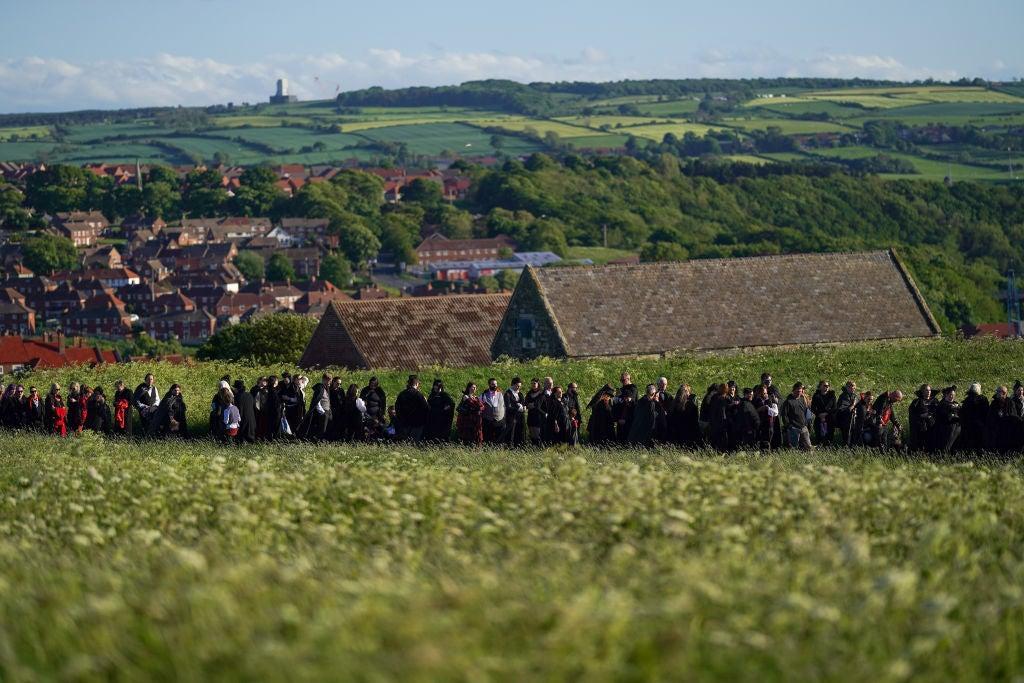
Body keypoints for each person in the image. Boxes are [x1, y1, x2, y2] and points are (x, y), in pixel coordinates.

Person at [394, 375, 430, 442]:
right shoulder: (418, 395)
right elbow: (426, 408)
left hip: (404, 422)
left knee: (404, 443)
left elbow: (397, 407)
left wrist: (400, 418)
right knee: (414, 443)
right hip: (417, 423)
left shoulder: (402, 394)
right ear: (416, 384)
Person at [298, 374, 333, 442]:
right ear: (325, 380)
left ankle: (322, 439)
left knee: (327, 426)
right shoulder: (320, 388)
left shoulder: (326, 388)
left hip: (327, 410)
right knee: (322, 428)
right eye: (329, 381)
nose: (330, 382)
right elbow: (317, 401)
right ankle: (318, 440)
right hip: (323, 411)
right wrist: (322, 412)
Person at [959, 383, 988, 453]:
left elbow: (963, 414)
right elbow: (986, 412)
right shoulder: (983, 399)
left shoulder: (966, 400)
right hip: (980, 425)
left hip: (968, 426)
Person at [782, 382, 812, 450]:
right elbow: (784, 415)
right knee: (793, 447)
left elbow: (805, 412)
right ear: (794, 390)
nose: (799, 392)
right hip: (793, 428)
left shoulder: (802, 399)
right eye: (798, 390)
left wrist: (806, 423)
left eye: (800, 391)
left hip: (803, 427)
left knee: (808, 446)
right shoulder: (788, 401)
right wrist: (789, 426)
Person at [932, 386, 961, 454]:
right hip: (946, 430)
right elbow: (945, 416)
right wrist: (952, 411)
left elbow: (961, 413)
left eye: (953, 395)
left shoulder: (956, 403)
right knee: (946, 446)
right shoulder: (942, 404)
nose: (952, 396)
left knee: (955, 446)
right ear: (946, 395)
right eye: (950, 395)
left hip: (956, 429)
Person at [907, 384, 935, 453]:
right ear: (922, 391)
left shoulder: (935, 401)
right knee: (920, 444)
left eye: (929, 390)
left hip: (932, 426)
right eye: (926, 390)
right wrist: (921, 416)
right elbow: (912, 414)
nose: (928, 392)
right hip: (921, 428)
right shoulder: (916, 402)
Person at [612, 372, 638, 442]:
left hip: (629, 416)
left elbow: (629, 400)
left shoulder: (633, 388)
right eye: (621, 380)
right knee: (620, 438)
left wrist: (621, 397)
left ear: (628, 379)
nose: (622, 382)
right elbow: (617, 403)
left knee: (628, 437)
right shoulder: (621, 389)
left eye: (623, 380)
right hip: (620, 416)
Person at [479, 378, 507, 444]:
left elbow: (504, 406)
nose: (495, 385)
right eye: (493, 384)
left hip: (499, 421)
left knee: (499, 439)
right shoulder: (483, 395)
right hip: (488, 420)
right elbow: (480, 406)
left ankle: (498, 451)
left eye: (496, 384)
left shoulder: (501, 394)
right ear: (489, 385)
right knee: (488, 439)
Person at [752, 384, 778, 450]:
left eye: (765, 393)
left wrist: (769, 407)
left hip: (769, 424)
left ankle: (766, 455)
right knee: (759, 442)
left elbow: (775, 412)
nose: (764, 394)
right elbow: (752, 412)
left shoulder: (770, 400)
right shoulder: (755, 401)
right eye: (762, 393)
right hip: (759, 423)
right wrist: (760, 409)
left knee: (768, 442)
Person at [834, 382, 860, 448]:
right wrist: (853, 405)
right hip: (845, 421)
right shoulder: (843, 396)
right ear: (847, 387)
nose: (853, 388)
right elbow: (842, 410)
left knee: (852, 436)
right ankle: (846, 449)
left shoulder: (854, 396)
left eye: (854, 387)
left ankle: (851, 448)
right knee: (846, 437)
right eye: (851, 386)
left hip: (853, 420)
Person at [811, 381, 836, 445]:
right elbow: (813, 407)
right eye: (825, 385)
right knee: (818, 432)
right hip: (819, 417)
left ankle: (829, 446)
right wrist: (819, 415)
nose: (827, 387)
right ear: (820, 386)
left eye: (828, 386)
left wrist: (826, 414)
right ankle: (819, 445)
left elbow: (835, 407)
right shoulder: (816, 395)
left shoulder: (832, 395)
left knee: (830, 433)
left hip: (829, 417)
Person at [503, 377, 527, 447]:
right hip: (512, 417)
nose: (518, 388)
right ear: (513, 384)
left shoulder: (520, 394)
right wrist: (517, 409)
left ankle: (519, 447)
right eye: (517, 386)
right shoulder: (508, 394)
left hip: (520, 416)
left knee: (520, 432)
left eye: (519, 386)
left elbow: (523, 403)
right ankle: (509, 447)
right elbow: (508, 407)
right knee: (511, 433)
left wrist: (524, 407)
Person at [708, 383, 732, 452]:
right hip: (721, 420)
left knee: (717, 438)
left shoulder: (715, 397)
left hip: (716, 420)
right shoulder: (723, 398)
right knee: (722, 438)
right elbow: (723, 410)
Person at [233, 379, 257, 444]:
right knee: (251, 440)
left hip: (243, 420)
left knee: (242, 440)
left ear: (236, 389)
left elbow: (237, 411)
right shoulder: (249, 395)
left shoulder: (237, 397)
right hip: (252, 419)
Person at [525, 379, 545, 446]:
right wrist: (530, 405)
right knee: (532, 434)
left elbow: (537, 405)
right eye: (532, 383)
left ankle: (539, 448)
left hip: (538, 416)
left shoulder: (541, 393)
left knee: (537, 434)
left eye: (534, 383)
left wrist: (532, 405)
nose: (533, 385)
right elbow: (526, 403)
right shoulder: (529, 393)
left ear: (538, 384)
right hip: (531, 416)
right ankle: (533, 448)